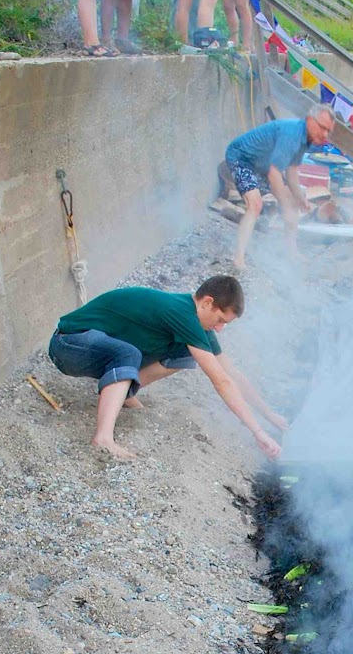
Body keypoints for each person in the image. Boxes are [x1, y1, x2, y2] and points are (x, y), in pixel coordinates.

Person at [47, 275, 285, 462]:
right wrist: (257, 432)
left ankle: (125, 392)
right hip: (68, 344)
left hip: (95, 349)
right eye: (221, 319)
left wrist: (268, 414)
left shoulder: (198, 325)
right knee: (128, 353)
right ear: (207, 302)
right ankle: (103, 437)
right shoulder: (182, 313)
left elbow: (231, 374)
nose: (221, 328)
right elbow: (220, 382)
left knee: (184, 353)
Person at [223, 109, 336, 268]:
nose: (325, 134)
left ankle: (292, 252)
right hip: (242, 158)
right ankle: (238, 259)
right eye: (322, 127)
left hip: (261, 164)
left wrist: (300, 198)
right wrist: (284, 205)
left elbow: (292, 171)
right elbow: (274, 174)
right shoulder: (292, 134)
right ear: (310, 119)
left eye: (328, 131)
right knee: (255, 205)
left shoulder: (306, 139)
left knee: (293, 199)